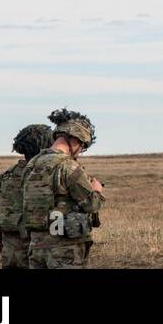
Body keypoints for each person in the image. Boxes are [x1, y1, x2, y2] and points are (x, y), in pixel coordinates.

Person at [21, 108, 104, 269]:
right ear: (74, 139)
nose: (80, 151)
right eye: (82, 145)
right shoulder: (68, 167)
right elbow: (91, 205)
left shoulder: (32, 164)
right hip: (64, 250)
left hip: (36, 247)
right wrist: (97, 190)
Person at [0, 123, 53, 268]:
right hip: (44, 250)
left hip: (12, 251)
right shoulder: (51, 173)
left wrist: (2, 242)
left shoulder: (6, 176)